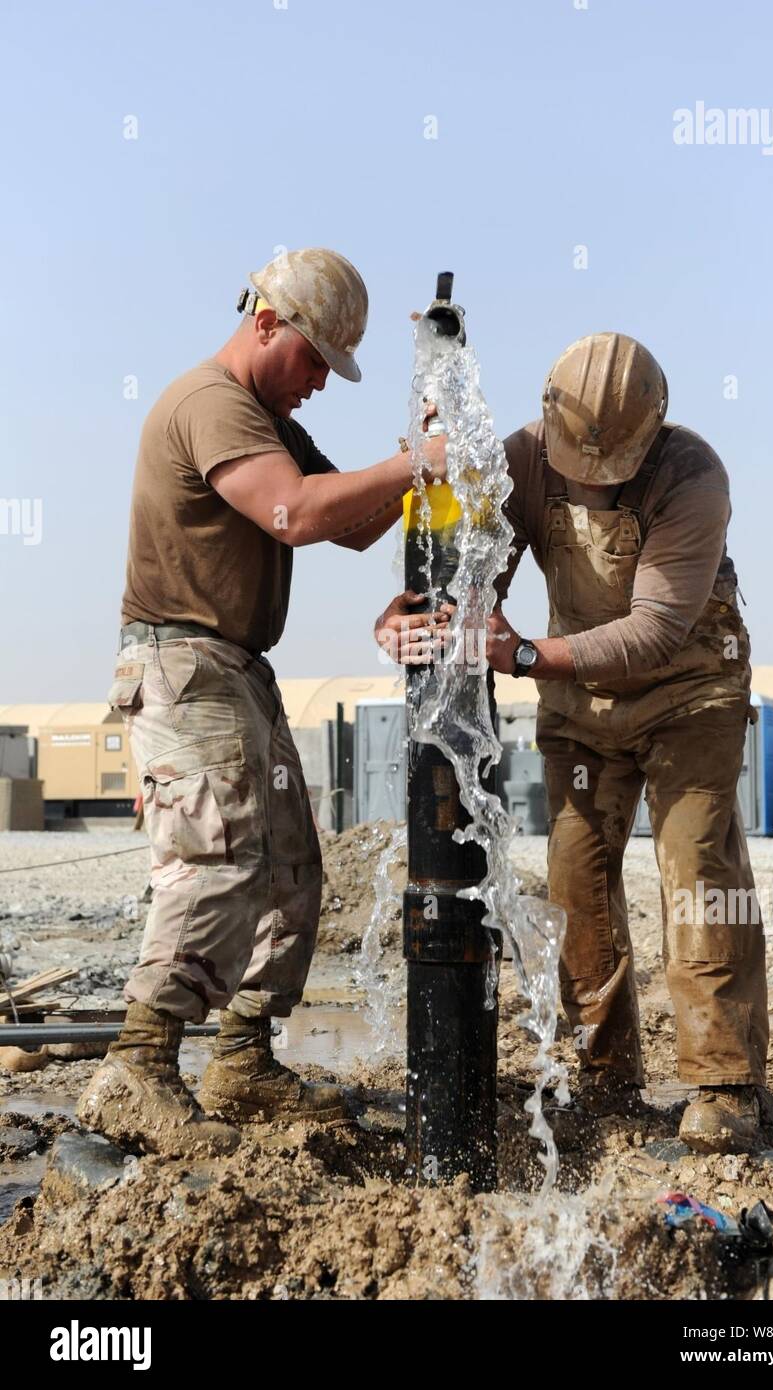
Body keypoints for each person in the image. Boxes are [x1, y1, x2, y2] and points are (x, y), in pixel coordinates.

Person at [79, 248, 445, 1155]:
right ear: (268, 323)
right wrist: (412, 458)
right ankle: (139, 1064)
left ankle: (241, 1058)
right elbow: (296, 515)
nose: (320, 382)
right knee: (218, 860)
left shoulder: (268, 417)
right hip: (182, 663)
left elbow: (354, 528)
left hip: (236, 667)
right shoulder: (212, 405)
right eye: (316, 359)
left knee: (287, 867)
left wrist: (421, 456)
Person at [375, 332, 772, 1155]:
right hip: (580, 707)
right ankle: (606, 1078)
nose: (592, 475)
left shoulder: (691, 476)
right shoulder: (524, 459)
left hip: (688, 693)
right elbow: (477, 568)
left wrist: (522, 655)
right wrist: (414, 606)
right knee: (573, 879)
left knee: (696, 867)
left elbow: (655, 631)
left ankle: (724, 1081)